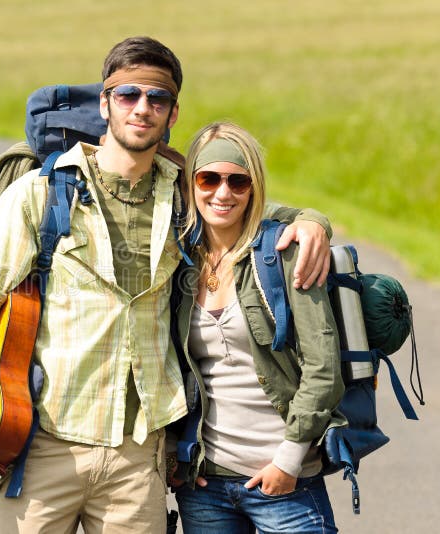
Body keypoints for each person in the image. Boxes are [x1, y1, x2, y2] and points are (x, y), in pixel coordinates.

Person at [0, 37, 333, 533]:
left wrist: (312, 221)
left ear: (173, 113)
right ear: (105, 104)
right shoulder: (38, 194)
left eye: (158, 98)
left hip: (139, 461)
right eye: (128, 95)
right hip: (46, 450)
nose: (142, 108)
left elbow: (244, 204)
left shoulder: (184, 193)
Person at [171, 121, 346, 533]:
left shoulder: (284, 255)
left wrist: (288, 462)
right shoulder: (179, 261)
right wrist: (176, 456)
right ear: (191, 183)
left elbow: (323, 369)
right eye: (208, 178)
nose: (222, 192)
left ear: (253, 187)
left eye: (238, 181)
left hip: (285, 483)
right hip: (205, 485)